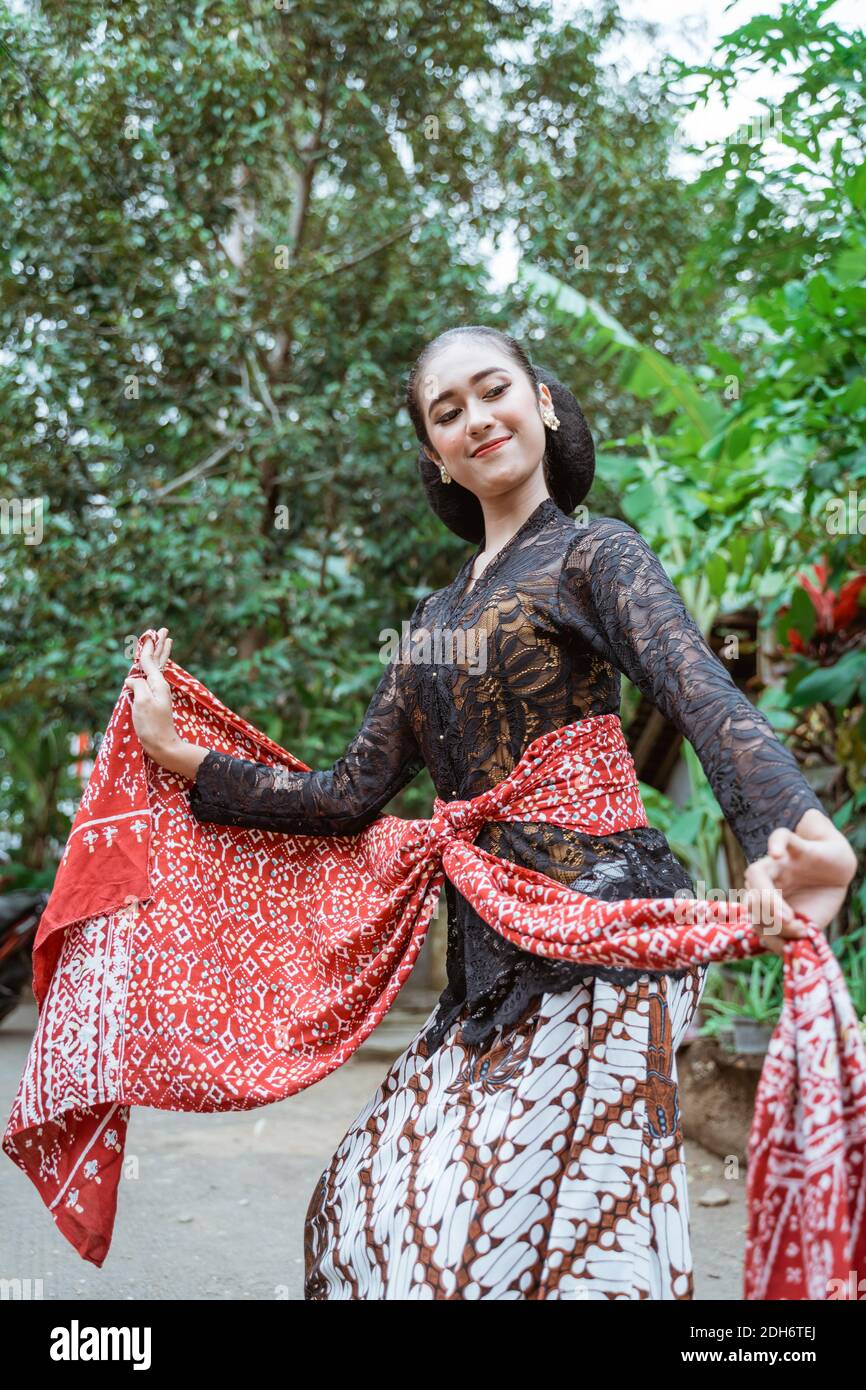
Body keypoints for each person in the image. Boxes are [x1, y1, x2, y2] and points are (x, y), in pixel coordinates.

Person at [125, 325, 858, 1300]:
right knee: (369, 1206)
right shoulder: (428, 624)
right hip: (485, 970)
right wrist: (182, 756)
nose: (476, 418)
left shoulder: (593, 554)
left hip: (602, 933)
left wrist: (786, 825)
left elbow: (696, 690)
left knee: (578, 1250)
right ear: (433, 454)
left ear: (541, 403)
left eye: (491, 391)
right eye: (446, 411)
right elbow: (345, 796)